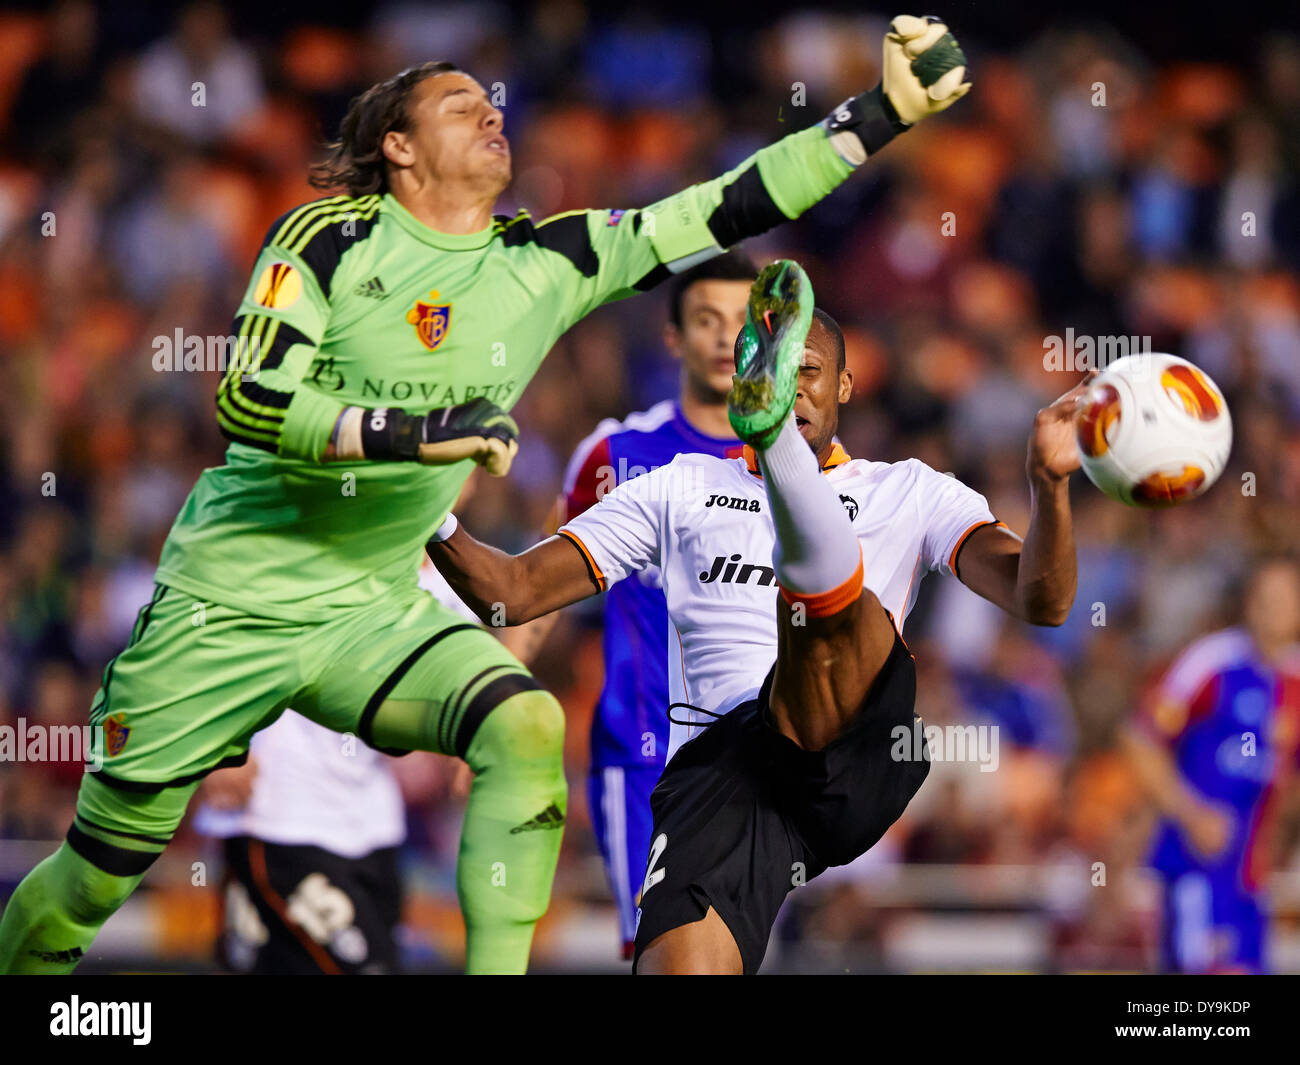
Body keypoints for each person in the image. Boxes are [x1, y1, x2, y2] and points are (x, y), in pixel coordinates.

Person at [0, 16, 971, 975]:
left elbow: (721, 206)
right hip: (229, 603)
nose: (491, 114)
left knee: (524, 727)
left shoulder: (544, 263)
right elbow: (248, 396)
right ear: (399, 146)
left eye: (493, 103)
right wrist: (410, 433)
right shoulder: (329, 238)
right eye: (460, 105)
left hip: (369, 612)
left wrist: (879, 114)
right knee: (92, 880)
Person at [427, 261, 1082, 973]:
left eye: (806, 370)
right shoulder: (678, 488)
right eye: (769, 371)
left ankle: (785, 473)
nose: (790, 386)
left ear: (845, 386)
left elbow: (1041, 599)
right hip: (725, 776)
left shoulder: (909, 492)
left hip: (849, 750)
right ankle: (786, 480)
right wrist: (428, 514)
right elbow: (512, 593)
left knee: (833, 616)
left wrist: (1049, 486)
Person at [561, 251, 752, 957]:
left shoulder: (798, 462)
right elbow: (546, 585)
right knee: (661, 952)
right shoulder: (615, 453)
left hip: (756, 766)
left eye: (743, 322)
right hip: (643, 759)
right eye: (707, 319)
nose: (727, 337)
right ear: (673, 337)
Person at [1121, 556, 1300, 973]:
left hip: (1253, 877)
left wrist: (1282, 832)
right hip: (1197, 868)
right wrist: (1192, 814)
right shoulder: (1212, 661)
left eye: (1285, 597)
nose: (1272, 608)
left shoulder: (1294, 681)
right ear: (1247, 603)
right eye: (1264, 597)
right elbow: (1140, 738)